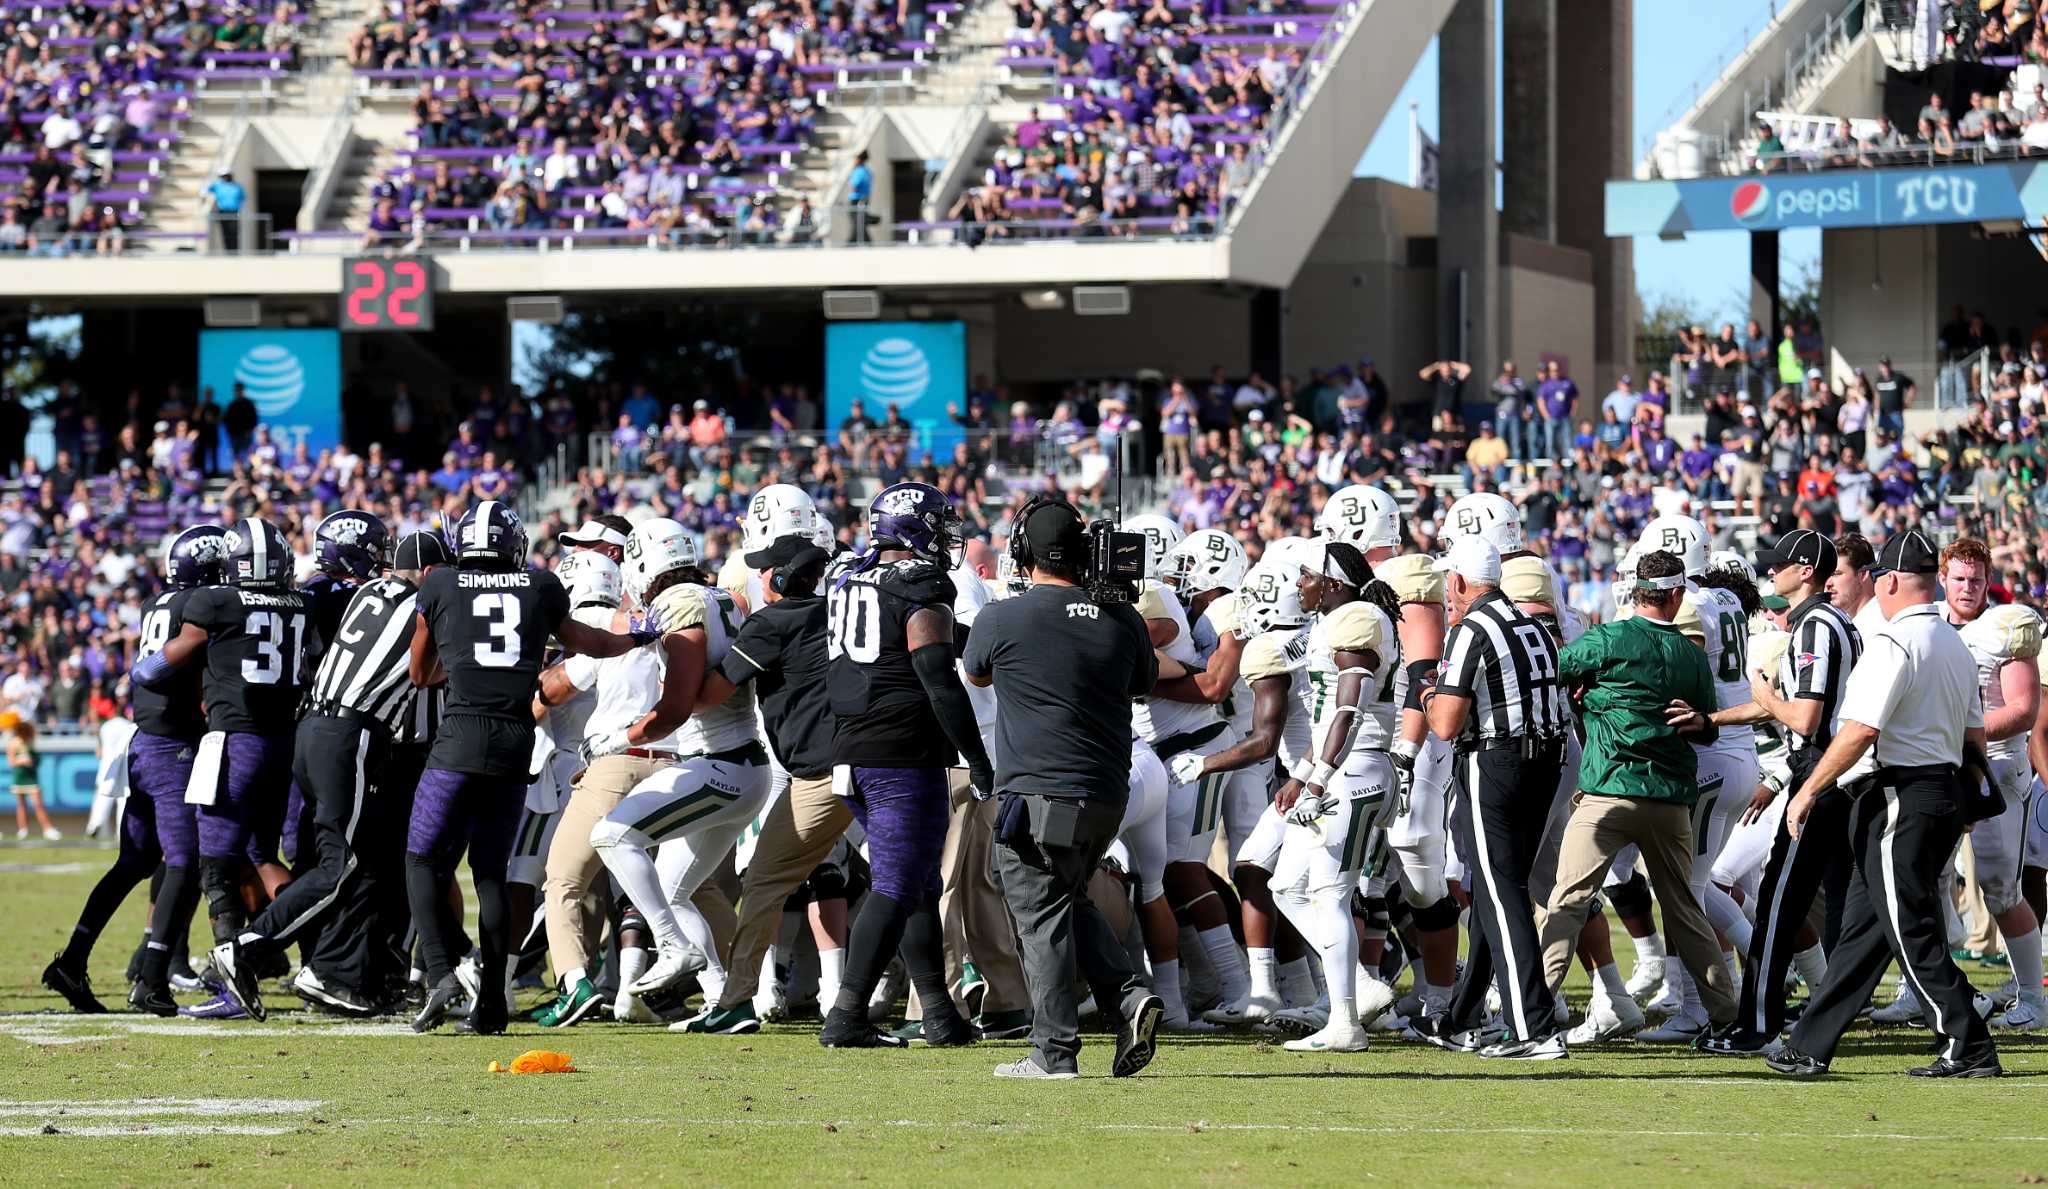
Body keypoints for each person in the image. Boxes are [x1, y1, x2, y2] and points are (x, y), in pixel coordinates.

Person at [403, 501, 655, 1035]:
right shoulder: (539, 586)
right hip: (515, 743)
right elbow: (591, 644)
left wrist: (461, 661)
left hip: (460, 738)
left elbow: (420, 672)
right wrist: (639, 638)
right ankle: (492, 1000)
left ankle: (443, 974)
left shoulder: (441, 583)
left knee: (423, 860)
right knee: (492, 874)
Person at [1769, 530, 2003, 1078]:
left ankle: (1967, 1042)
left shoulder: (1894, 642)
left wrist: (1807, 790)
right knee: (1864, 933)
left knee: (1910, 927)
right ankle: (1809, 1044)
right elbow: (1974, 736)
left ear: (1891, 580)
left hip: (1901, 794)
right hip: (1939, 789)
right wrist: (1973, 797)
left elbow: (1859, 731)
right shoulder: (1954, 643)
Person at [965, 497, 1165, 1079]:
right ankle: (1128, 998)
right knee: (1062, 898)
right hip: (1107, 791)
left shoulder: (1003, 616)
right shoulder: (1122, 615)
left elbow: (976, 671)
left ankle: (1053, 1053)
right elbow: (1144, 681)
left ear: (1024, 552)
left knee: (1038, 913)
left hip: (1038, 793)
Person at [210, 514, 414, 1021]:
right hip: (342, 735)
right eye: (375, 548)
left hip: (306, 731)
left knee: (338, 858)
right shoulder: (351, 598)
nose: (382, 557)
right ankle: (249, 948)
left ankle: (332, 972)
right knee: (337, 862)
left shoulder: (311, 596)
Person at [1538, 547, 1740, 1050]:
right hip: (1669, 799)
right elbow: (1703, 727)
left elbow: (1552, 674)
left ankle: (1533, 1012)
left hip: (1607, 791)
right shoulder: (1692, 657)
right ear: (1676, 595)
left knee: (1567, 902)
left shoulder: (1607, 639)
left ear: (1634, 592)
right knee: (1686, 911)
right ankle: (1729, 1017)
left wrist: (1596, 697)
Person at [817, 482, 991, 1049]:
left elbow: (901, 638)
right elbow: (938, 679)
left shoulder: (849, 576)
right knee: (897, 885)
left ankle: (939, 1013)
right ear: (915, 530)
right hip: (900, 753)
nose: (947, 539)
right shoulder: (922, 582)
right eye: (939, 526)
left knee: (916, 882)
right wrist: (980, 760)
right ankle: (846, 1016)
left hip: (852, 748)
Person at [586, 528, 772, 1023]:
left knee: (612, 834)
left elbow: (676, 709)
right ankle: (723, 1002)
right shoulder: (719, 595)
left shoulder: (680, 602)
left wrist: (619, 738)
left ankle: (673, 948)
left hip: (719, 764)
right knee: (671, 890)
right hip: (740, 765)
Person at [40, 528, 225, 1015]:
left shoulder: (153, 604)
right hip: (170, 749)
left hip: (143, 744)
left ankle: (73, 960)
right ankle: (152, 976)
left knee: (135, 861)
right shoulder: (198, 609)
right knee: (185, 862)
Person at [131, 517, 309, 1020]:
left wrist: (155, 664)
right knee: (261, 852)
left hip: (233, 742)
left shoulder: (216, 602)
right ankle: (296, 956)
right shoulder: (301, 604)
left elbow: (156, 666)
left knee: (214, 867)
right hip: (284, 745)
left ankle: (236, 976)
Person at [1701, 530, 1857, 1054]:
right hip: (1833, 775)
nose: (1771, 572)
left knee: (1777, 905)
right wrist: (1714, 719)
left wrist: (1764, 693)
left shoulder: (1816, 625)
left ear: (1806, 570)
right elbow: (1786, 704)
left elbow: (1805, 716)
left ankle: (1757, 1026)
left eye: (1780, 564)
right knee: (1846, 906)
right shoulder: (1833, 624)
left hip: (1817, 775)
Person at [1421, 535, 1572, 1059]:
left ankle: (1532, 1026)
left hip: (1497, 761)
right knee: (1496, 888)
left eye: (1448, 582)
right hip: (1546, 762)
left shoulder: (1471, 629)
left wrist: (1426, 691)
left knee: (1501, 890)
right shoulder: (1532, 625)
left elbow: (1443, 724)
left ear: (1459, 582)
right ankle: (1461, 1018)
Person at [1930, 539, 2046, 1031]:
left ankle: (2034, 1001)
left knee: (2000, 887)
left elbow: (2023, 710)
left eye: (1976, 580)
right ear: (1942, 578)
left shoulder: (2005, 627)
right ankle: (1933, 992)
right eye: (1959, 578)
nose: (1968, 588)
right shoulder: (1928, 621)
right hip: (1938, 764)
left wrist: (1964, 731)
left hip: (1995, 768)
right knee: (1924, 879)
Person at [7, 715, 53, 841]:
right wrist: (21, 761)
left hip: (31, 777)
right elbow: (11, 762)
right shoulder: (13, 743)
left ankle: (48, 829)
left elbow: (35, 757)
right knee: (21, 805)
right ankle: (23, 830)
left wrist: (31, 760)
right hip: (20, 776)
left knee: (38, 804)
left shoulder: (30, 741)